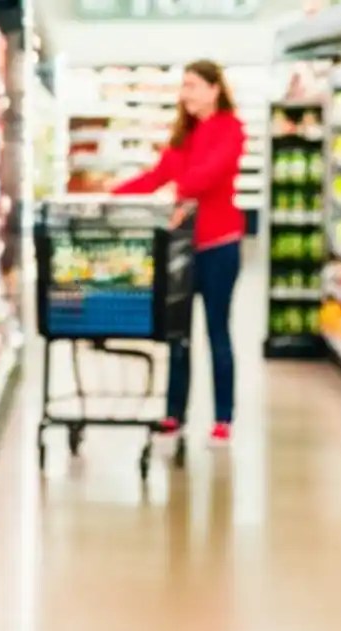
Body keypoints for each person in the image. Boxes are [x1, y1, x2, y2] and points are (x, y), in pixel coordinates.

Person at [112, 59, 245, 445]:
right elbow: (157, 176)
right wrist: (111, 195)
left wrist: (179, 194)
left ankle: (223, 417)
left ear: (213, 89)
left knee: (217, 330)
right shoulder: (183, 134)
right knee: (178, 335)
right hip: (182, 248)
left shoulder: (230, 129)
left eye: (192, 85)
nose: (185, 93)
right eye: (183, 86)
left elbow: (209, 174)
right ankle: (174, 413)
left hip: (219, 246)